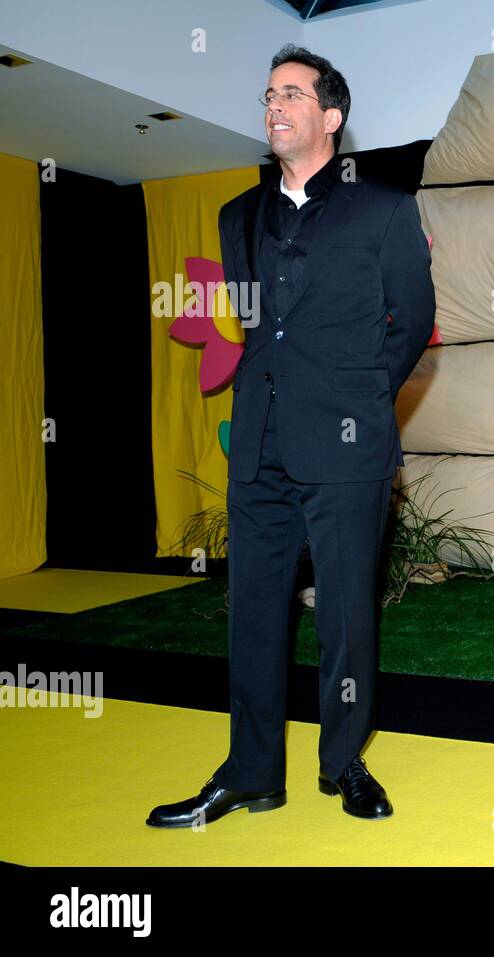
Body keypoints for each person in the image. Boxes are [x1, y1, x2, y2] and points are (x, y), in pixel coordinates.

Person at [147, 45, 436, 827]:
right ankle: (251, 770)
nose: (275, 106)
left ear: (331, 116)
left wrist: (358, 395)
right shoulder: (236, 216)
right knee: (252, 609)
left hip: (347, 444)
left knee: (345, 614)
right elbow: (256, 327)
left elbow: (411, 320)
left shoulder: (384, 209)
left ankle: (343, 762)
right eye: (269, 95)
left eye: (293, 95)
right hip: (261, 441)